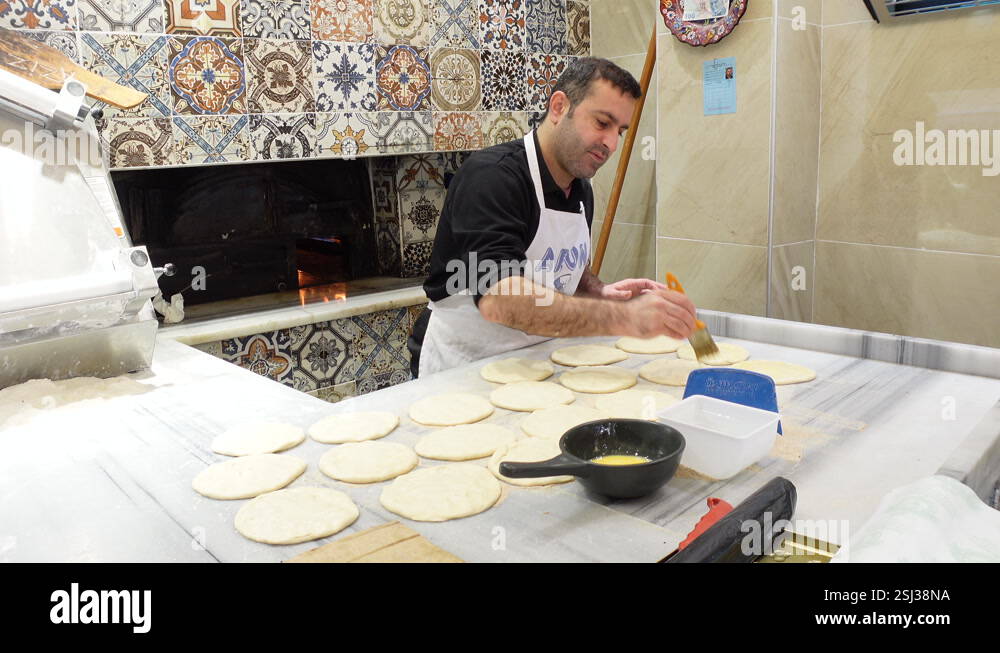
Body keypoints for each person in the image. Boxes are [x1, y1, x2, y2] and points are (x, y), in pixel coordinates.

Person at [407, 57, 698, 378]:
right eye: (602, 123)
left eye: (621, 131)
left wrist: (597, 291)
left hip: (542, 360)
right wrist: (623, 318)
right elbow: (499, 299)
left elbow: (557, 267)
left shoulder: (581, 189)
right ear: (559, 107)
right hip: (466, 367)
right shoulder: (493, 177)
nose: (612, 144)